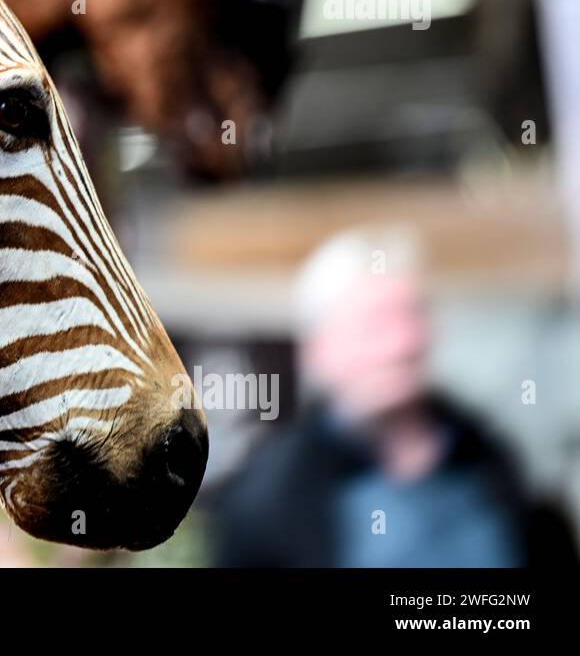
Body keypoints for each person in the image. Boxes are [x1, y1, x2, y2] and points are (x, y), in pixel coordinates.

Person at [208, 226, 577, 567]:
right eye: (373, 325)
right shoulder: (268, 503)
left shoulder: (494, 457)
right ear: (318, 349)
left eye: (408, 316)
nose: (398, 344)